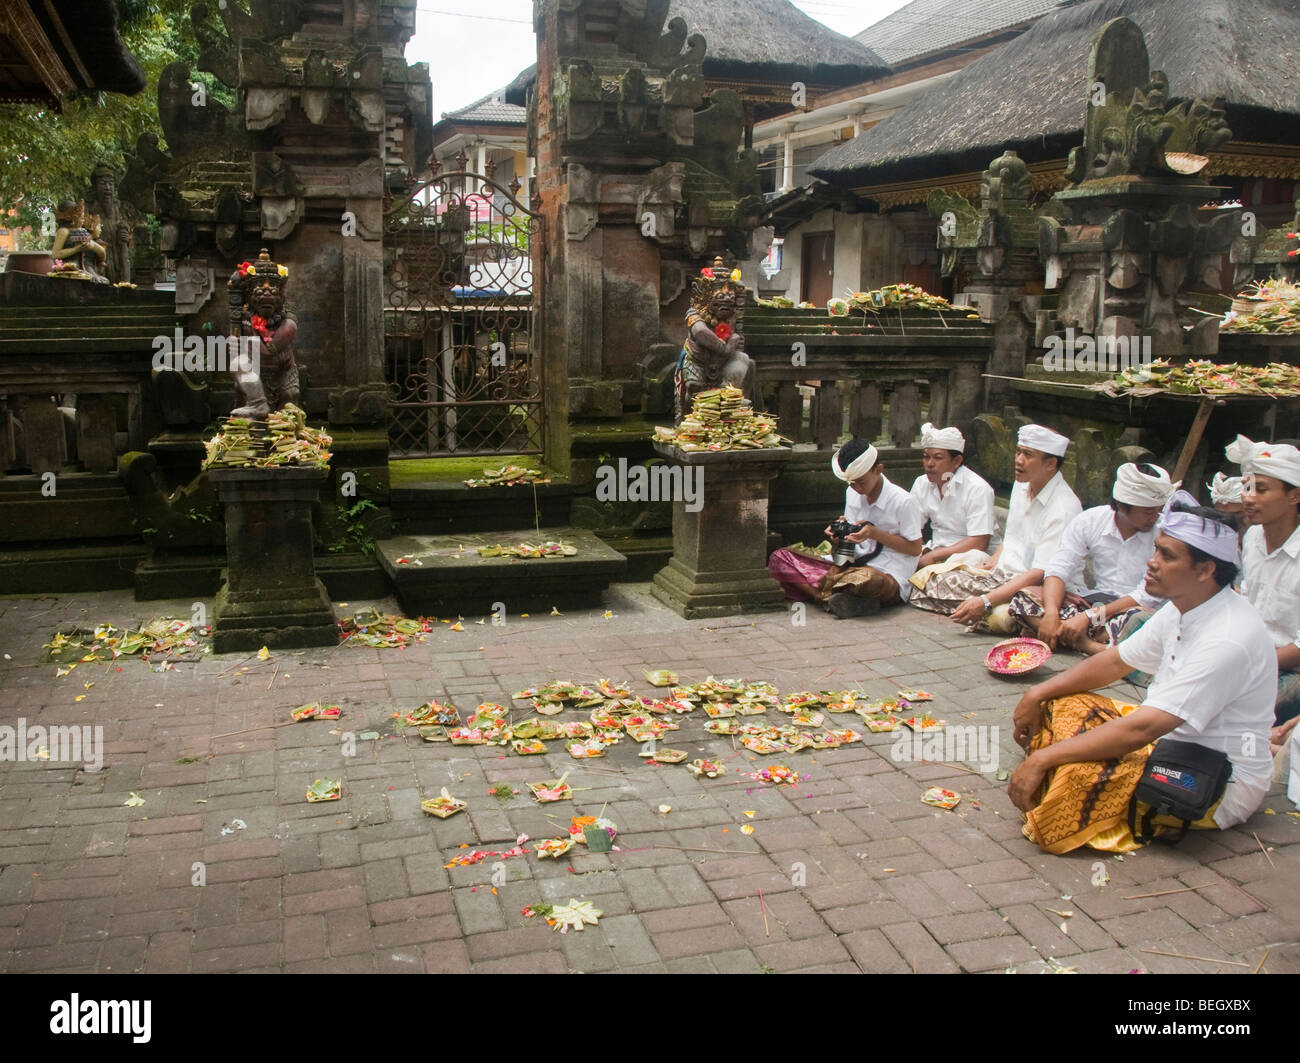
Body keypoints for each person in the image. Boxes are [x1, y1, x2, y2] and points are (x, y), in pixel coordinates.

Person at [1009, 494, 1273, 853]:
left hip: (1217, 778)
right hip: (1165, 737)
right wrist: (1036, 694)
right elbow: (1117, 662)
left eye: (1167, 555)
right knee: (1060, 704)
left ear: (1205, 570)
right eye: (1157, 550)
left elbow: (1143, 728)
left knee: (1071, 779)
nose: (1151, 563)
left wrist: (1045, 757)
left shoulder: (1229, 637)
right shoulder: (1185, 603)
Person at [909, 424, 1081, 633]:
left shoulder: (1063, 507)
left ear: (1051, 463)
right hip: (1002, 575)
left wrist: (985, 601)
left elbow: (1040, 573)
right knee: (925, 584)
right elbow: (1013, 535)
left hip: (1038, 588)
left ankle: (1000, 611)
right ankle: (999, 612)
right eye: (1018, 452)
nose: (1018, 460)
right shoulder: (1022, 485)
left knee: (1007, 610)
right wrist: (995, 560)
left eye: (1028, 455)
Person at [1007, 463, 1174, 654]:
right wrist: (1051, 613)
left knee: (1140, 623)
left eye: (1157, 510)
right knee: (1025, 596)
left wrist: (1087, 618)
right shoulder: (1090, 521)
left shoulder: (1163, 535)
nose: (1155, 517)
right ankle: (1079, 637)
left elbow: (1145, 596)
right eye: (1147, 511)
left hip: (1132, 609)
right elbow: (1058, 568)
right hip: (1097, 604)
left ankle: (1084, 644)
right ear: (1121, 505)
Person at [767, 438, 923, 619]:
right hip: (848, 567)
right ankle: (832, 599)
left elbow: (915, 549)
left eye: (861, 482)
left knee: (866, 580)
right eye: (851, 483)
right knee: (779, 558)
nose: (856, 488)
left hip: (885, 575)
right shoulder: (853, 492)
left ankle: (826, 594)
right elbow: (846, 554)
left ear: (878, 470)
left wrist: (875, 534)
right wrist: (838, 537)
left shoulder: (903, 501)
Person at [1226, 435, 1300, 753]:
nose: (1248, 498)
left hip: (1289, 665)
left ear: (1294, 495)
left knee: (1238, 698)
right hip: (1253, 652)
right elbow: (1245, 601)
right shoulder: (1254, 537)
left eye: (1262, 489)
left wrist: (1253, 661)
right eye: (1246, 487)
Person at [909, 423, 996, 569]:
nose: (930, 464)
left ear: (956, 461)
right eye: (926, 457)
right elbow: (910, 525)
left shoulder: (977, 488)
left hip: (972, 556)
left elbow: (979, 542)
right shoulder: (921, 483)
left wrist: (934, 556)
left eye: (937, 458)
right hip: (934, 549)